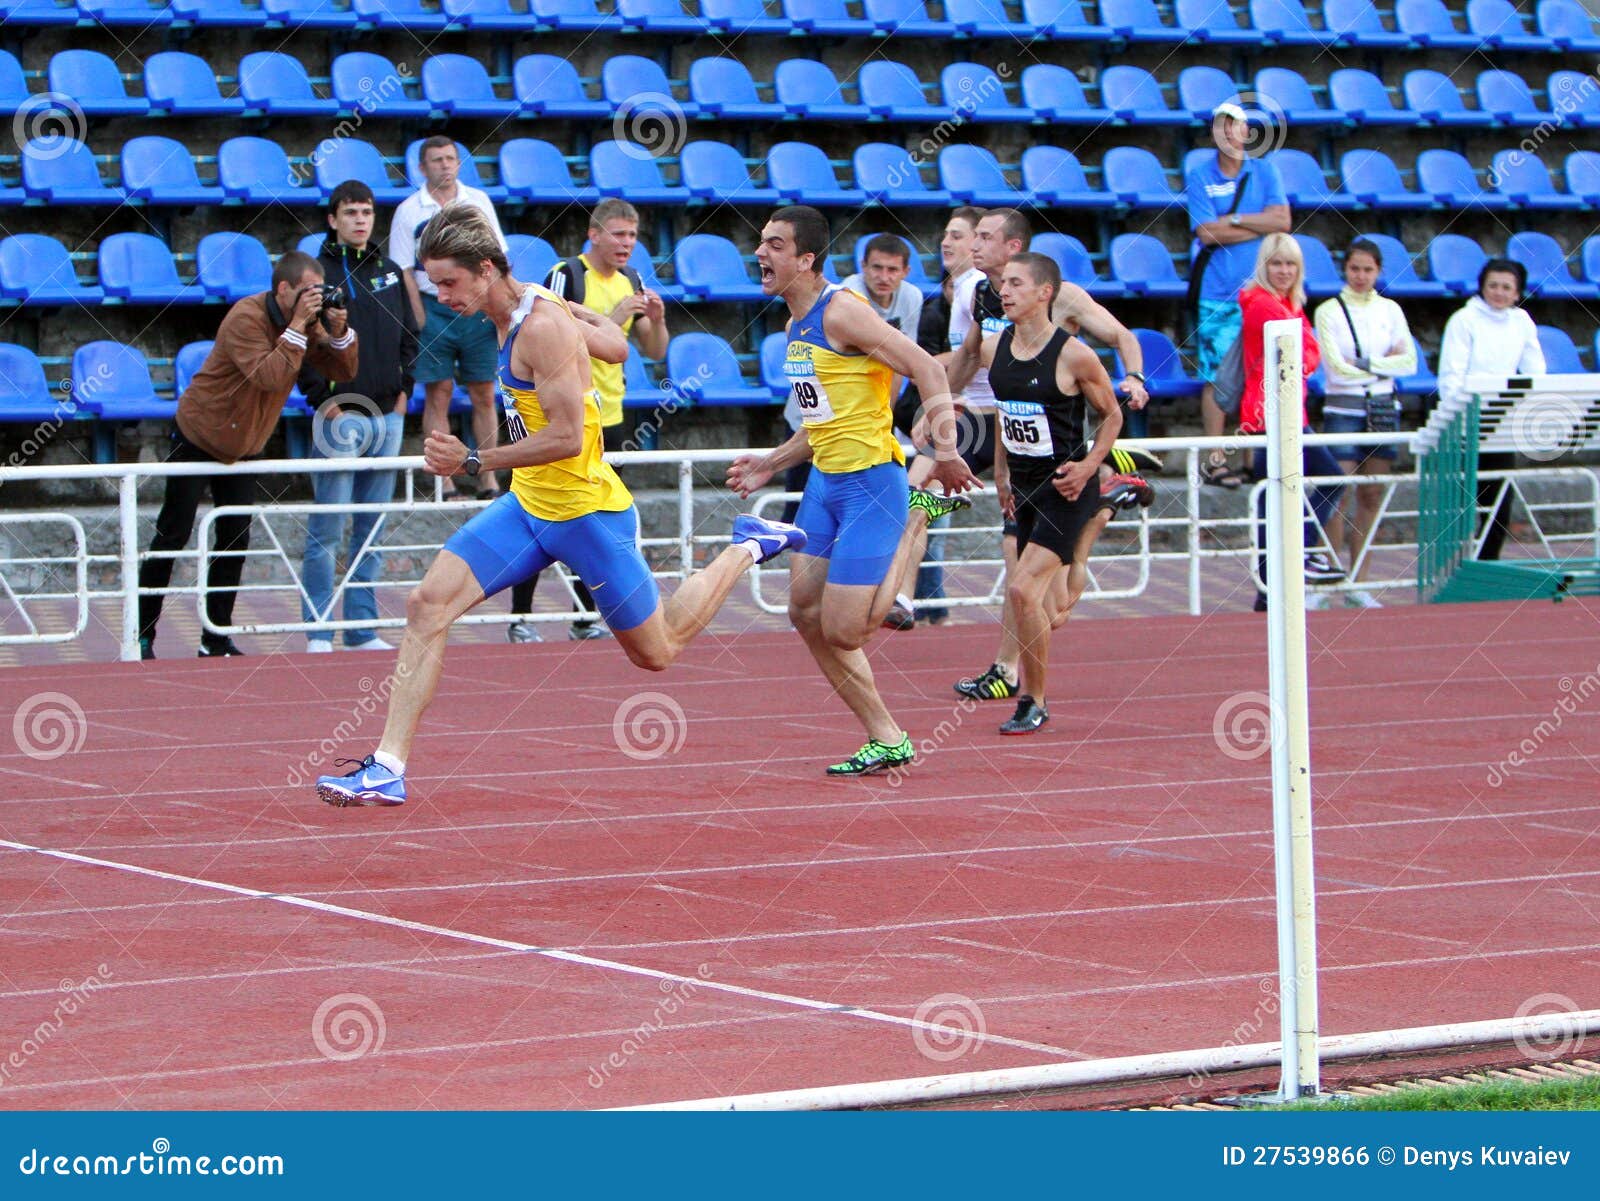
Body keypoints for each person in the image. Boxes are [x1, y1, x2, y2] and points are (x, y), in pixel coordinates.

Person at [315, 205, 804, 807]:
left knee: (658, 652)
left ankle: (747, 546)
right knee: (426, 605)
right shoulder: (532, 308)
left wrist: (471, 461)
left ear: (488, 269)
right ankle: (388, 766)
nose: (441, 297)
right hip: (529, 509)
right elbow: (617, 353)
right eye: (433, 284)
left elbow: (567, 438)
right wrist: (589, 322)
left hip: (586, 514)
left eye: (450, 283)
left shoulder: (539, 326)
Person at [725, 205, 979, 776]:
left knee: (845, 627)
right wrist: (770, 462)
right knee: (803, 611)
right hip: (825, 482)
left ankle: (916, 517)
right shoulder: (794, 327)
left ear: (806, 259)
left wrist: (946, 453)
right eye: (760, 243)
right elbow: (821, 425)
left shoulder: (843, 312)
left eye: (774, 246)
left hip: (871, 482)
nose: (760, 254)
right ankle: (886, 736)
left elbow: (929, 371)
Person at [939, 208, 1155, 702]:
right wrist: (940, 407)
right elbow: (972, 357)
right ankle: (1006, 669)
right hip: (1020, 467)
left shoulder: (1063, 298)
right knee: (1025, 585)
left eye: (985, 237)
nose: (974, 245)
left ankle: (1098, 509)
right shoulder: (982, 298)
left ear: (1013, 248)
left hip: (1063, 466)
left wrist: (1134, 377)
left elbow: (1121, 336)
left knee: (1041, 597)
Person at [138, 251, 357, 660]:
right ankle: (142, 633)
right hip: (199, 434)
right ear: (284, 289)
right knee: (173, 533)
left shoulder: (304, 323)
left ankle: (214, 636)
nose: (314, 300)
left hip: (243, 447)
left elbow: (342, 372)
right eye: (308, 293)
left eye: (319, 292)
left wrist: (338, 333)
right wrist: (297, 326)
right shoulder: (246, 317)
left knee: (235, 538)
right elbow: (269, 374)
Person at [947, 252, 1122, 734]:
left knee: (1022, 589)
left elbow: (1112, 415)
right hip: (1022, 488)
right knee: (1052, 608)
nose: (1004, 291)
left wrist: (1088, 467)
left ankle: (1034, 700)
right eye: (1003, 284)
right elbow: (1007, 414)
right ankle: (1093, 532)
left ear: (1044, 293)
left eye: (1016, 284)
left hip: (1067, 487)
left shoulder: (1073, 355)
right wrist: (1002, 475)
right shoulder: (993, 348)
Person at [506, 198, 670, 643]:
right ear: (593, 235)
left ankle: (584, 615)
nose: (626, 244)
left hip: (609, 416)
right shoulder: (567, 275)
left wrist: (655, 320)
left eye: (633, 236)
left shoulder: (632, 278)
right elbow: (552, 330)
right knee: (538, 511)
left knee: (591, 517)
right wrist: (615, 318)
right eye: (618, 234)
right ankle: (521, 616)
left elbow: (654, 351)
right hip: (555, 412)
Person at [300, 180, 419, 653]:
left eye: (367, 212)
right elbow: (299, 340)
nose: (360, 220)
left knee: (371, 528)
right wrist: (319, 398)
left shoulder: (390, 271)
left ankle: (362, 629)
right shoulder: (316, 274)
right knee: (328, 527)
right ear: (332, 219)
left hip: (387, 415)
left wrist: (405, 392)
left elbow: (411, 335)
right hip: (338, 415)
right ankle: (318, 630)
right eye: (350, 212)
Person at [389, 135, 506, 501]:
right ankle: (445, 479)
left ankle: (487, 476)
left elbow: (497, 257)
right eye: (436, 159)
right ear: (422, 168)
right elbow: (404, 269)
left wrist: (492, 305)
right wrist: (420, 315)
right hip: (433, 306)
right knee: (437, 393)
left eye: (451, 158)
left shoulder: (478, 202)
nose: (444, 164)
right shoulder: (409, 209)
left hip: (476, 305)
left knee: (484, 392)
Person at [1185, 101, 1291, 488]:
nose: (1231, 134)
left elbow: (1283, 221)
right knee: (1216, 375)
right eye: (1223, 127)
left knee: (1257, 375)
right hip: (1217, 290)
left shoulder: (1265, 171)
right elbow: (1205, 233)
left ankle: (1250, 458)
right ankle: (1214, 459)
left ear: (1248, 133)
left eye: (1238, 127)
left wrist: (1232, 220)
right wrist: (1256, 225)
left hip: (1259, 292)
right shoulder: (1200, 175)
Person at [1237, 234, 1343, 611]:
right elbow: (1301, 352)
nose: (1284, 271)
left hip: (1290, 411)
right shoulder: (1264, 304)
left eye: (1291, 264)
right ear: (1264, 266)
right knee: (1278, 496)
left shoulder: (1287, 303)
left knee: (1297, 489)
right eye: (1277, 263)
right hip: (1269, 412)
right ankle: (1280, 574)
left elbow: (1310, 354)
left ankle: (1283, 571)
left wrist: (1307, 352)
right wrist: (1307, 352)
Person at [1313, 238, 1416, 606]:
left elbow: (1410, 362)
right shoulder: (1328, 310)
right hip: (1342, 408)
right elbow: (1335, 369)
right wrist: (1381, 362)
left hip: (1383, 407)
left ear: (1378, 271)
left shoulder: (1390, 309)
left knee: (1372, 492)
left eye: (1368, 269)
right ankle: (1329, 577)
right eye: (1354, 268)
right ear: (1345, 269)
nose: (1360, 276)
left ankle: (1359, 581)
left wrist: (1365, 364)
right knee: (1337, 490)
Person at [1438, 258, 1546, 561]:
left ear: (1517, 292)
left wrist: (1519, 406)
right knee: (1461, 501)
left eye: (1506, 287)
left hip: (1501, 423)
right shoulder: (1463, 320)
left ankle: (1488, 562)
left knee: (1499, 500)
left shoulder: (1522, 321)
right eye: (1493, 286)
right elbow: (1452, 375)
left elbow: (1535, 369)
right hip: (1466, 422)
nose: (1499, 292)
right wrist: (1459, 418)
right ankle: (1454, 565)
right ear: (1483, 287)